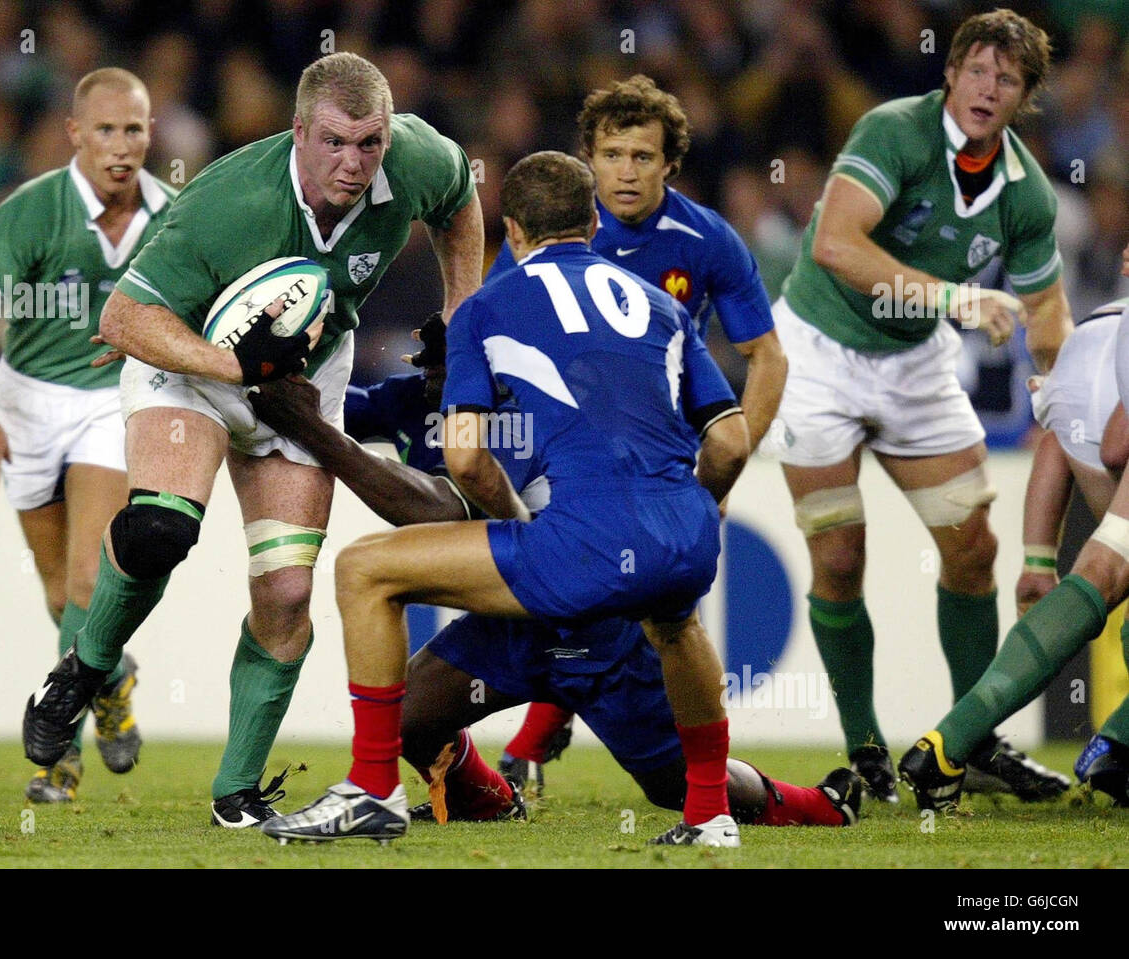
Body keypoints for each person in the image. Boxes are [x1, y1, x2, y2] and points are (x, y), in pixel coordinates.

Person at [19, 52, 484, 828]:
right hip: (194, 366)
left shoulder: (419, 157)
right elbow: (122, 321)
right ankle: (86, 667)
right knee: (162, 526)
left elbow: (462, 203)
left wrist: (461, 313)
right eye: (334, 142)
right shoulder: (229, 201)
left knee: (288, 591)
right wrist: (232, 363)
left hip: (305, 373)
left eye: (369, 144)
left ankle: (233, 792)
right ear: (297, 131)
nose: (354, 163)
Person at [260, 150, 752, 847]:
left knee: (363, 568)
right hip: (685, 530)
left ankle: (372, 789)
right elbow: (730, 441)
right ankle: (710, 815)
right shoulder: (662, 305)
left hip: (578, 543)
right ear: (592, 221)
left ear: (513, 232)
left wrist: (521, 529)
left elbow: (465, 457)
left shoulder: (488, 306)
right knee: (678, 629)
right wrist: (700, 507)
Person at [251, 346, 863, 830]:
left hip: (602, 628)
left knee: (672, 786)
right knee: (406, 723)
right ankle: (485, 801)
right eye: (439, 351)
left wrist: (313, 428)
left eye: (462, 354)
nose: (445, 371)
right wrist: (253, 372)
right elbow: (313, 405)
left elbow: (439, 511)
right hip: (508, 625)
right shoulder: (413, 399)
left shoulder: (546, 408)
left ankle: (810, 803)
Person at [758, 8, 1073, 801]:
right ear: (950, 74)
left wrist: (1064, 394)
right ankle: (865, 747)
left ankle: (966, 742)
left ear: (1022, 96)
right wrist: (957, 299)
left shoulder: (1026, 193)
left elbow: (1047, 316)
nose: (987, 87)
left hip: (917, 369)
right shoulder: (893, 132)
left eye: (1006, 78)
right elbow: (834, 242)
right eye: (976, 69)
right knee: (838, 555)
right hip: (819, 357)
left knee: (971, 550)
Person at [488, 74, 788, 787]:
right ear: (588, 159)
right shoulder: (547, 234)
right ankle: (570, 741)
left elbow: (768, 356)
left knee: (652, 611)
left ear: (670, 164)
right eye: (613, 154)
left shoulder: (707, 240)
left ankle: (555, 740)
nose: (626, 171)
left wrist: (728, 467)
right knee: (617, 602)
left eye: (643, 156)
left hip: (665, 453)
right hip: (567, 452)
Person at [0, 68, 174, 802]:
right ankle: (110, 675)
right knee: (55, 592)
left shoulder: (172, 215)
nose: (120, 145)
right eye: (105, 130)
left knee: (83, 578)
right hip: (29, 402)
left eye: (133, 129)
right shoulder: (35, 209)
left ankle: (58, 755)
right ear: (75, 135)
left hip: (113, 401)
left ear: (149, 134)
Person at [902, 293, 1129, 809]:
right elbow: (1118, 444)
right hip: (1107, 385)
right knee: (1110, 572)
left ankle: (947, 744)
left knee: (1107, 570)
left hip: (1085, 352)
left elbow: (1057, 436)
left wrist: (1039, 558)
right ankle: (1115, 743)